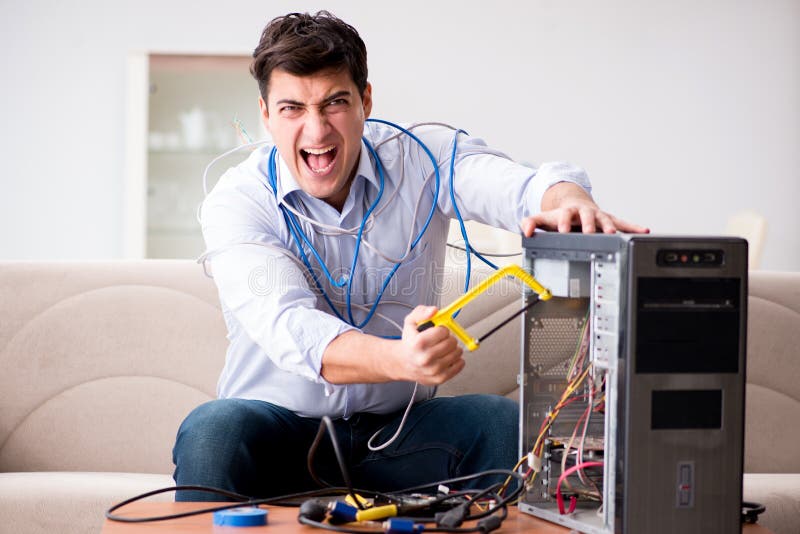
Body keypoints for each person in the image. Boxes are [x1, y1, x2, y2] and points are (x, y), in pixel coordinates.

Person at [172, 11, 648, 502]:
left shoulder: (420, 154)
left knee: (504, 427)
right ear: (266, 114)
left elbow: (522, 185)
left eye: (335, 102)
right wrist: (398, 358)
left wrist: (567, 200)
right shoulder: (237, 200)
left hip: (396, 436)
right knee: (213, 431)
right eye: (292, 108)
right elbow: (289, 325)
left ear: (366, 101)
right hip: (278, 432)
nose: (316, 132)